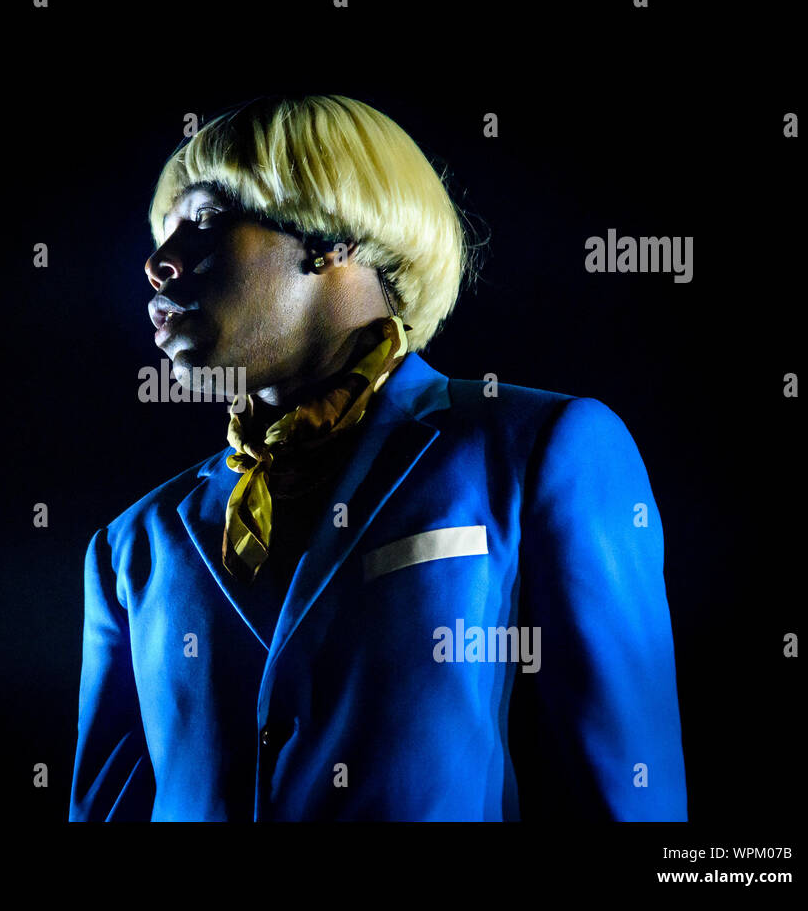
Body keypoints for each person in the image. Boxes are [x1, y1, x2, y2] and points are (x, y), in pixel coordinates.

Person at [69, 94, 687, 821]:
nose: (157, 263)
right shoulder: (130, 546)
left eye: (204, 218)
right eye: (159, 232)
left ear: (336, 235)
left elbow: (631, 800)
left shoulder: (543, 450)